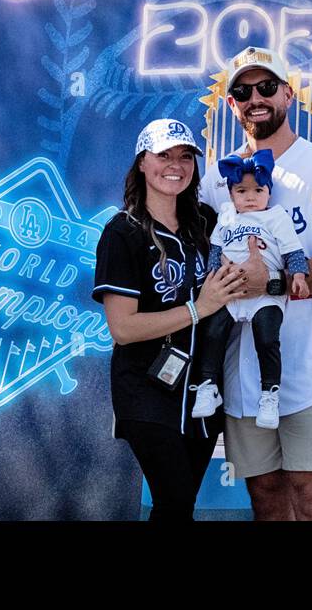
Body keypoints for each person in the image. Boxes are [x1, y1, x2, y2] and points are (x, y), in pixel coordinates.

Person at [199, 45, 312, 521]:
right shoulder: (218, 181)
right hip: (244, 372)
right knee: (267, 499)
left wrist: (270, 281)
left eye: (266, 87)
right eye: (242, 90)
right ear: (231, 104)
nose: (255, 98)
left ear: (288, 95)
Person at [92, 118, 250, 521]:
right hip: (147, 391)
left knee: (175, 508)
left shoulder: (208, 223)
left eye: (185, 156)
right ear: (141, 163)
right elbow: (123, 328)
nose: (175, 165)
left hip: (202, 392)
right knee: (175, 500)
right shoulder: (122, 232)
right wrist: (200, 307)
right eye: (163, 155)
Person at [191, 149, 312, 429]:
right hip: (231, 291)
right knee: (212, 331)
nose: (250, 196)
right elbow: (215, 249)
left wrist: (299, 276)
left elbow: (294, 251)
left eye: (258, 190)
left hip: (265, 292)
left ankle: (270, 394)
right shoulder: (227, 218)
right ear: (231, 194)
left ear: (269, 193)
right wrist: (213, 274)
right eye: (241, 190)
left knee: (267, 338)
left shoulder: (276, 218)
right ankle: (208, 385)